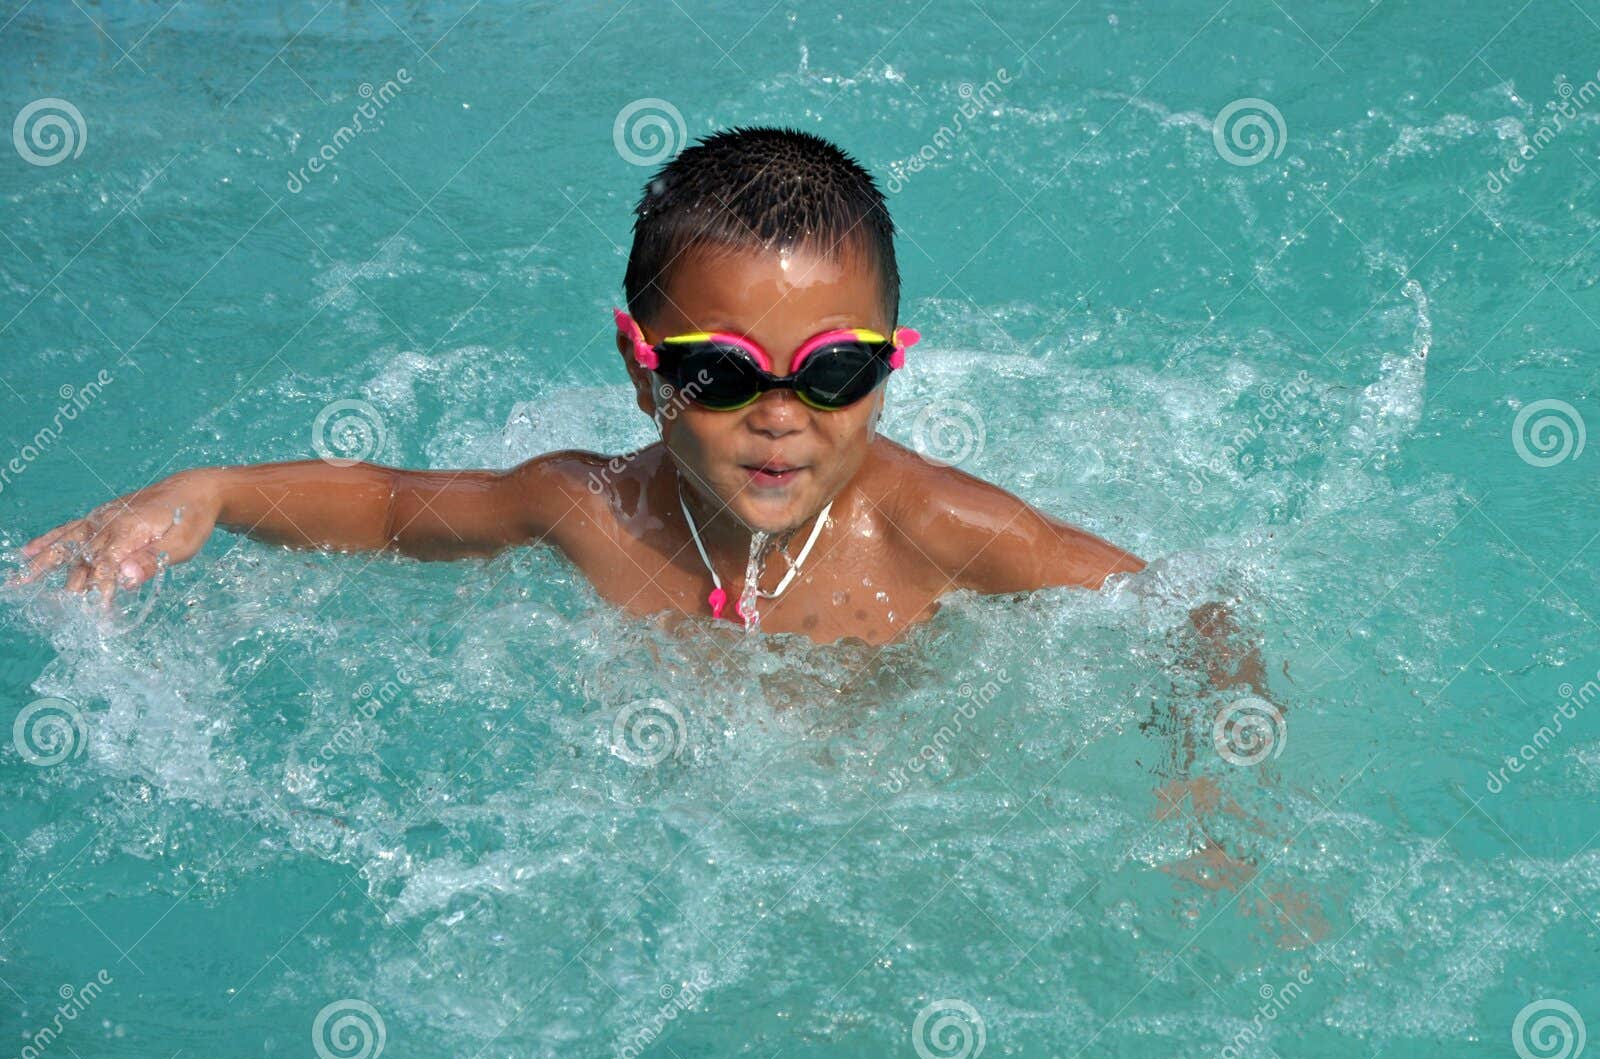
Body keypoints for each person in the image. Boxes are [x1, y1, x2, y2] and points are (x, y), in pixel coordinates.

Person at [14, 126, 1143, 646]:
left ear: (890, 369)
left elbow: (1182, 604)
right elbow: (391, 509)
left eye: (834, 370)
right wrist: (205, 491)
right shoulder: (591, 509)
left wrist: (1205, 789)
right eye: (718, 371)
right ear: (640, 367)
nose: (782, 413)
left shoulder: (936, 528)